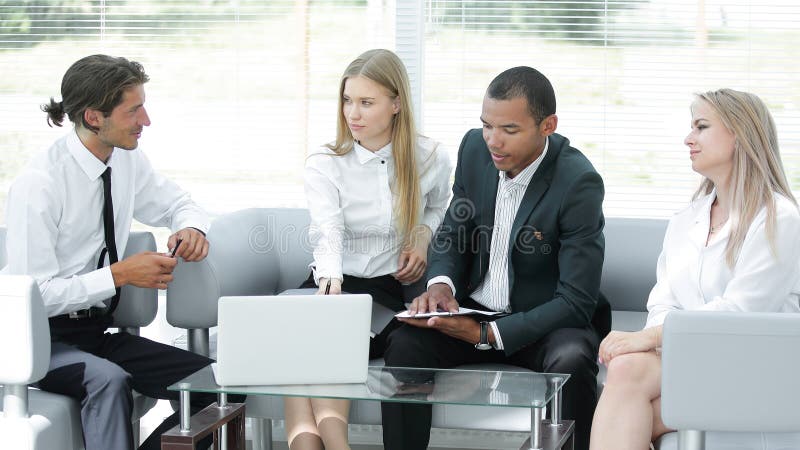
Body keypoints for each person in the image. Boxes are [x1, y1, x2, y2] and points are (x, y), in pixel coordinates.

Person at [1, 54, 231, 450]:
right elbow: (34, 296)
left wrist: (190, 227)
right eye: (134, 110)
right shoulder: (39, 185)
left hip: (95, 334)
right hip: (38, 342)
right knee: (109, 380)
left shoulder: (125, 160)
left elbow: (179, 202)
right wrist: (119, 276)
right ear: (94, 117)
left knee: (219, 386)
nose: (146, 120)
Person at [381, 66, 610, 450]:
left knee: (573, 357)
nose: (493, 140)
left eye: (509, 129)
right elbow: (456, 231)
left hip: (545, 323)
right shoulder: (474, 149)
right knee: (406, 346)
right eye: (487, 125)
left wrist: (488, 335)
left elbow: (577, 300)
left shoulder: (578, 182)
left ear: (547, 125)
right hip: (475, 310)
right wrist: (440, 284)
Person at [589, 89, 800, 450]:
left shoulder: (779, 219)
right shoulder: (687, 218)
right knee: (625, 369)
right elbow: (663, 303)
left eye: (701, 127)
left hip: (758, 367)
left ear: (740, 135)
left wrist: (649, 339)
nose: (688, 139)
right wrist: (652, 339)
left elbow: (741, 312)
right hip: (693, 358)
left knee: (629, 386)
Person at [284, 48, 451, 450]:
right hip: (337, 278)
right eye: (346, 100)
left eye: (365, 102)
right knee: (306, 344)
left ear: (396, 104)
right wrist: (331, 281)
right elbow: (327, 229)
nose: (351, 113)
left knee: (316, 355)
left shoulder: (430, 156)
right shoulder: (325, 161)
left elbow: (440, 202)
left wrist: (423, 235)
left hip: (395, 286)